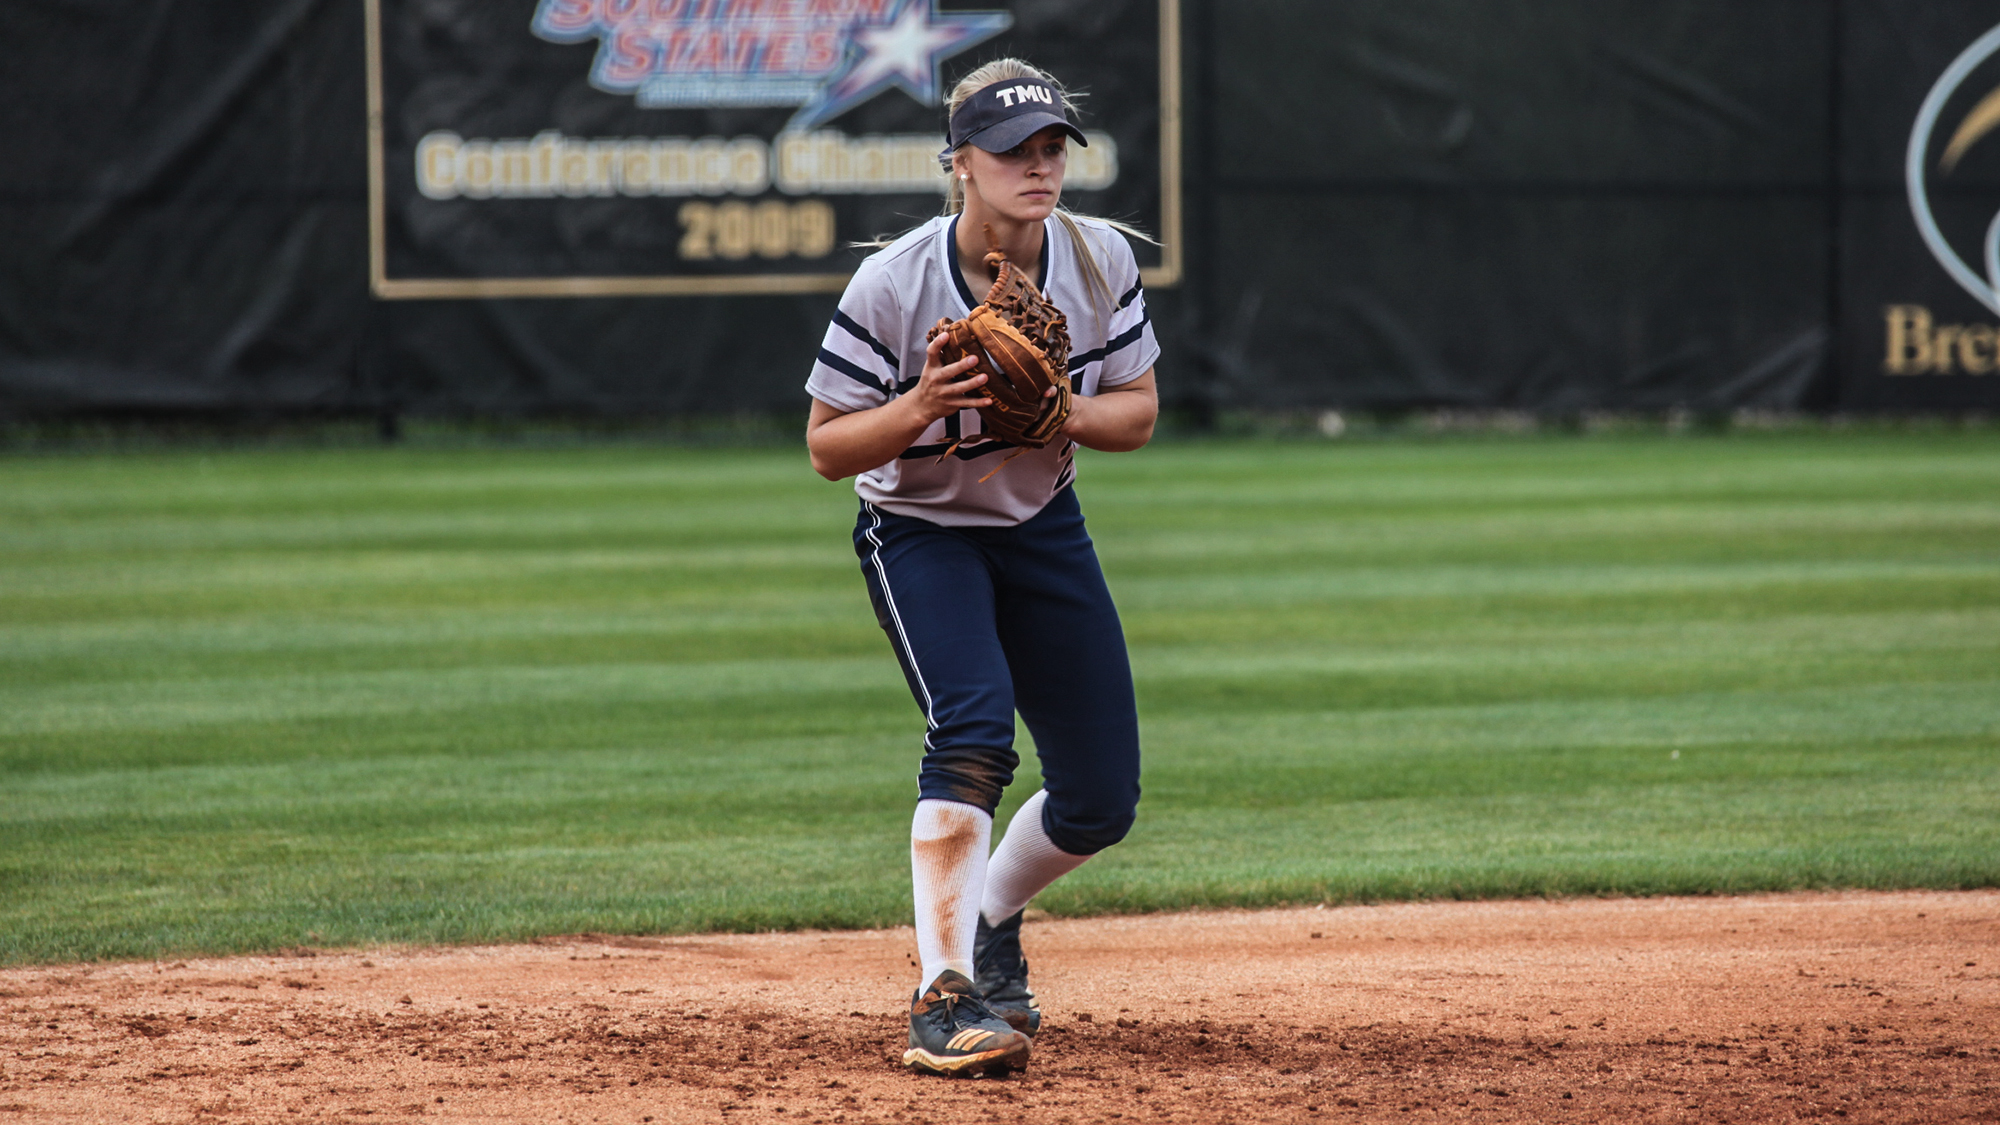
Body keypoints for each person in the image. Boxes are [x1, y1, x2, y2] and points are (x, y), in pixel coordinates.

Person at [803, 58, 1161, 1078]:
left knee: (1099, 798)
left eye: (1051, 147)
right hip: (918, 530)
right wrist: (917, 407)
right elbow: (828, 450)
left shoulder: (1096, 264)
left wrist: (1065, 411)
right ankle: (941, 995)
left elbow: (1132, 414)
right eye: (1012, 151)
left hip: (1041, 523)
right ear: (960, 163)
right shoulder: (893, 282)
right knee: (970, 724)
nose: (1037, 166)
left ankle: (992, 919)